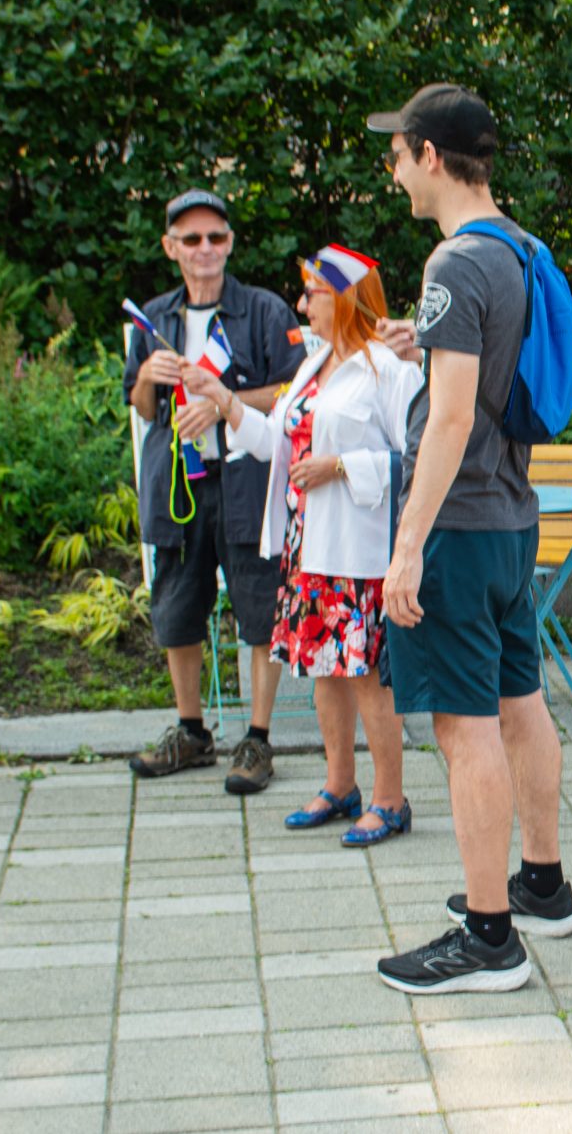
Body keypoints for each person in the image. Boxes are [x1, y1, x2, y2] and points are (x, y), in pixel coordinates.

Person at [368, 83, 572, 994]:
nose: (394, 170)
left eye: (397, 153)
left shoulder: (455, 261)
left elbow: (450, 422)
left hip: (457, 520)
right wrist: (429, 339)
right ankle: (541, 882)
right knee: (520, 700)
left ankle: (490, 938)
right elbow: (496, 366)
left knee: (464, 729)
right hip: (512, 517)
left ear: (427, 153)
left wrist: (408, 542)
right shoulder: (519, 248)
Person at [192, 258, 421, 846]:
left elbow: (413, 459)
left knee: (366, 675)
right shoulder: (314, 365)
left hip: (359, 552)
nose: (301, 304)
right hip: (306, 547)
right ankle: (339, 783)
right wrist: (225, 401)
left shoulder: (390, 370)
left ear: (344, 299)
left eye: (312, 293)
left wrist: (341, 466)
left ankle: (390, 798)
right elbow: (274, 442)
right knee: (322, 670)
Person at [123, 189, 306, 794]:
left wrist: (224, 403)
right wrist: (149, 377)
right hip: (179, 484)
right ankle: (191, 731)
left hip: (247, 480)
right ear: (171, 247)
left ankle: (256, 738)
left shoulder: (264, 310)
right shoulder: (153, 319)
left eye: (216, 238)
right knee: (178, 608)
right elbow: (141, 407)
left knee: (258, 606)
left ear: (230, 243)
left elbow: (292, 394)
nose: (206, 249)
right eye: (192, 239)